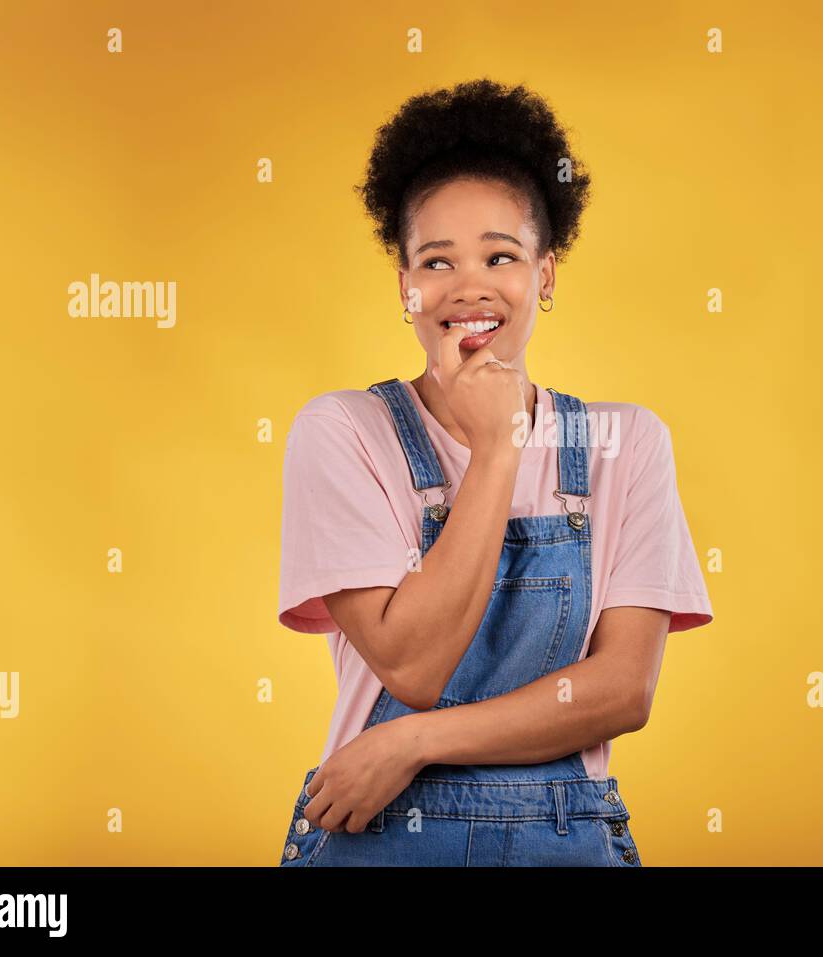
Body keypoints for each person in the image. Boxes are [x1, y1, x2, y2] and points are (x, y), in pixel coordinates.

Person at [276, 78, 713, 866]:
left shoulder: (630, 443)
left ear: (545, 273)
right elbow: (413, 662)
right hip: (377, 839)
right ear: (404, 286)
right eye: (436, 260)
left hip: (562, 838)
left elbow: (620, 691)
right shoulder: (343, 431)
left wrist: (412, 743)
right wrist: (498, 449)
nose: (469, 285)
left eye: (500, 255)